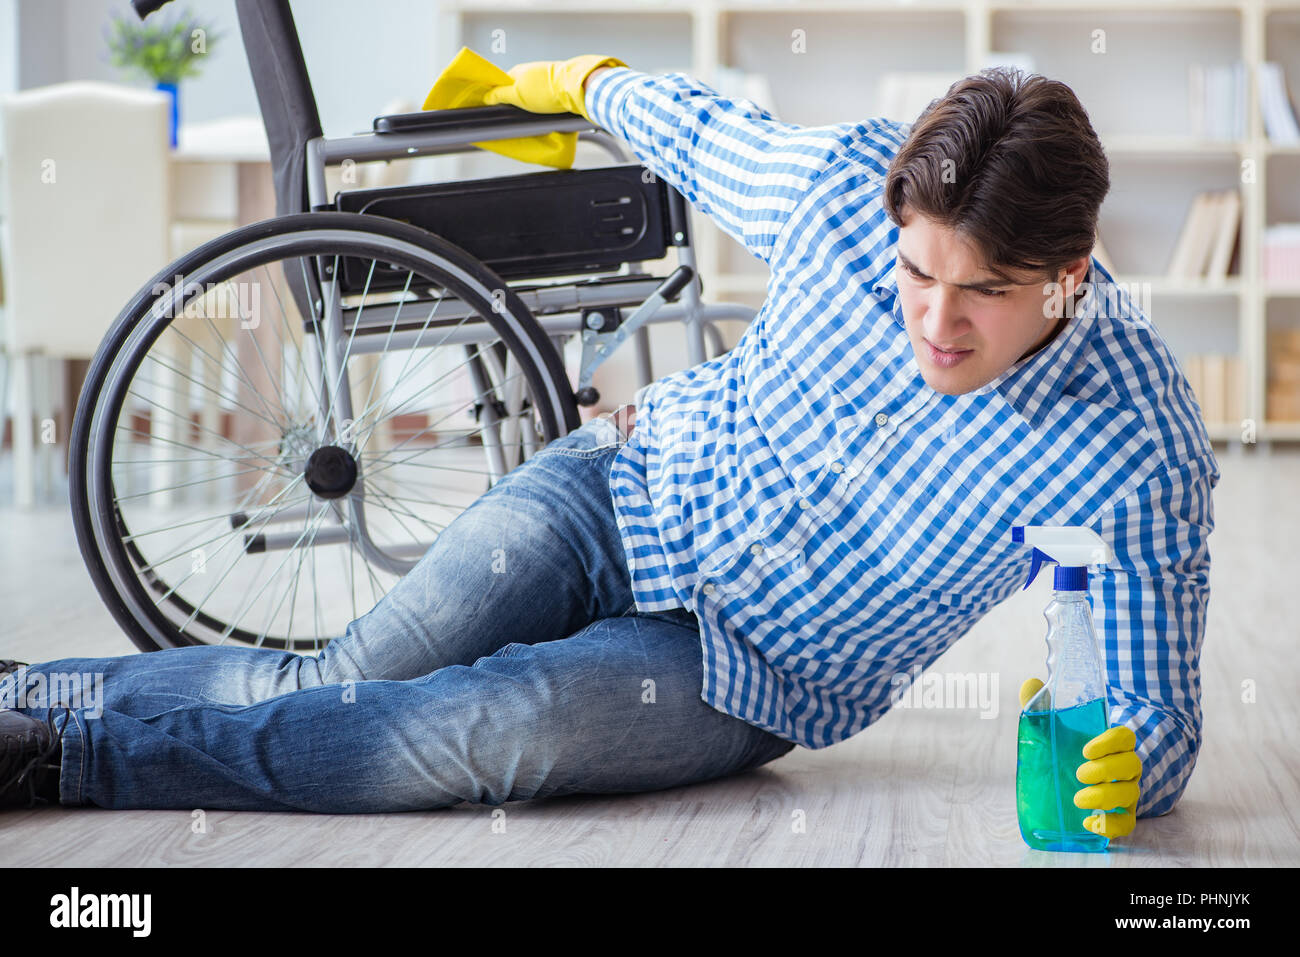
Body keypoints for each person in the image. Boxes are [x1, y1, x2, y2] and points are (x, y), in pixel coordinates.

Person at [2, 57, 1215, 838]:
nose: (937, 324)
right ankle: (20, 697)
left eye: (988, 293)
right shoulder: (843, 186)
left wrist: (1131, 761)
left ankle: (58, 758)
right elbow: (692, 128)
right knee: (350, 670)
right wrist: (578, 80)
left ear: (1068, 275)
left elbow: (1154, 705)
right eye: (914, 274)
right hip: (618, 489)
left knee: (485, 728)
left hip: (744, 671)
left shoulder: (1137, 441)